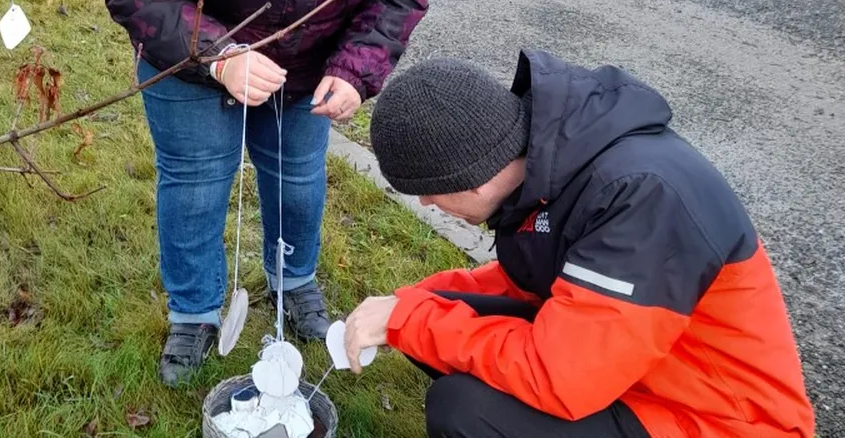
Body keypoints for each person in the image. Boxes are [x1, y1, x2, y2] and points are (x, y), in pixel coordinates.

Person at [105, 0, 439, 386]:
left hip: (310, 65)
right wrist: (219, 54)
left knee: (297, 174)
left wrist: (356, 69)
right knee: (194, 181)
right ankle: (194, 310)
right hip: (190, 59)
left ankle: (294, 280)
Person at [343, 50, 817, 437]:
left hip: (714, 418)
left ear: (468, 175)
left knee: (464, 410)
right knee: (422, 311)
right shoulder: (553, 165)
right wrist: (411, 305)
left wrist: (413, 321)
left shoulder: (640, 198)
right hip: (635, 373)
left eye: (427, 189)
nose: (425, 203)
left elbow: (559, 378)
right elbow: (539, 284)